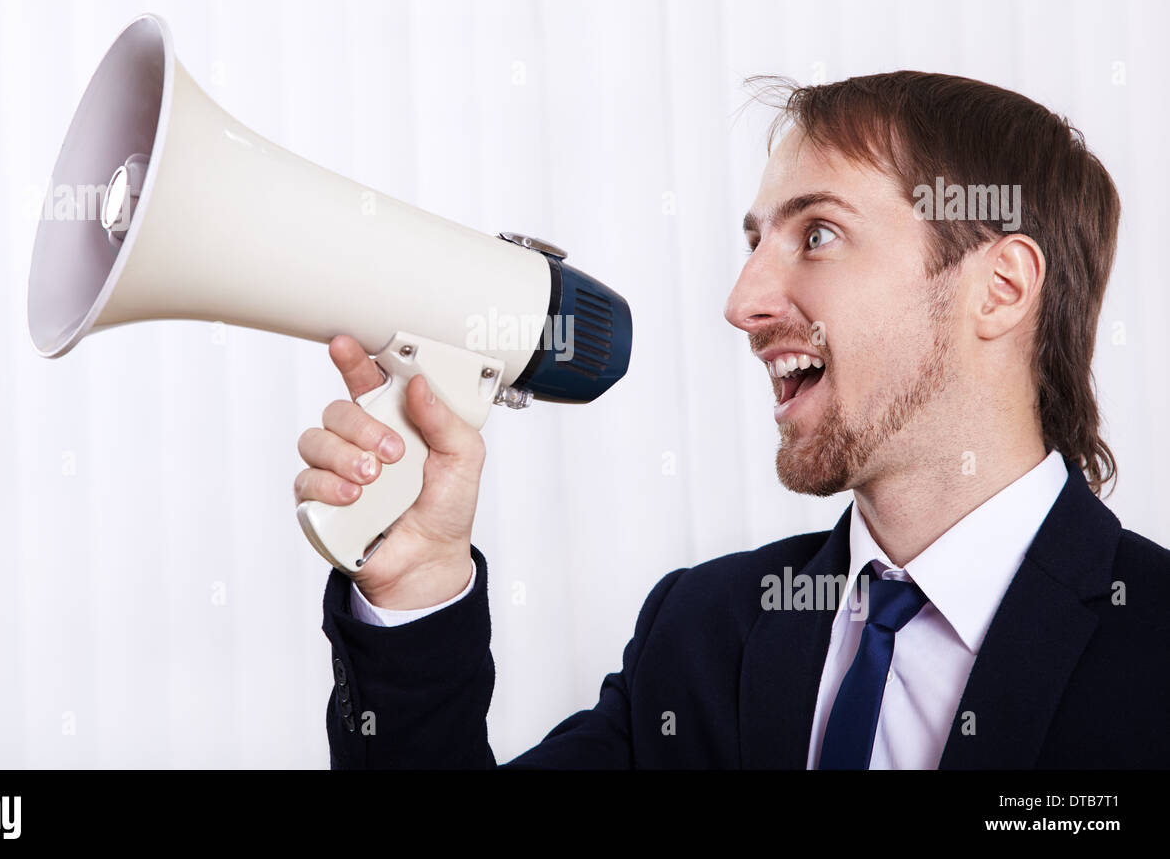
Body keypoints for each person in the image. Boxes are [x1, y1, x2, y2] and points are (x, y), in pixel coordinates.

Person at [294, 71, 1170, 769]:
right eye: (755, 243)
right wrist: (415, 592)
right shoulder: (702, 631)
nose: (743, 302)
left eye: (817, 234)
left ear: (1000, 287)